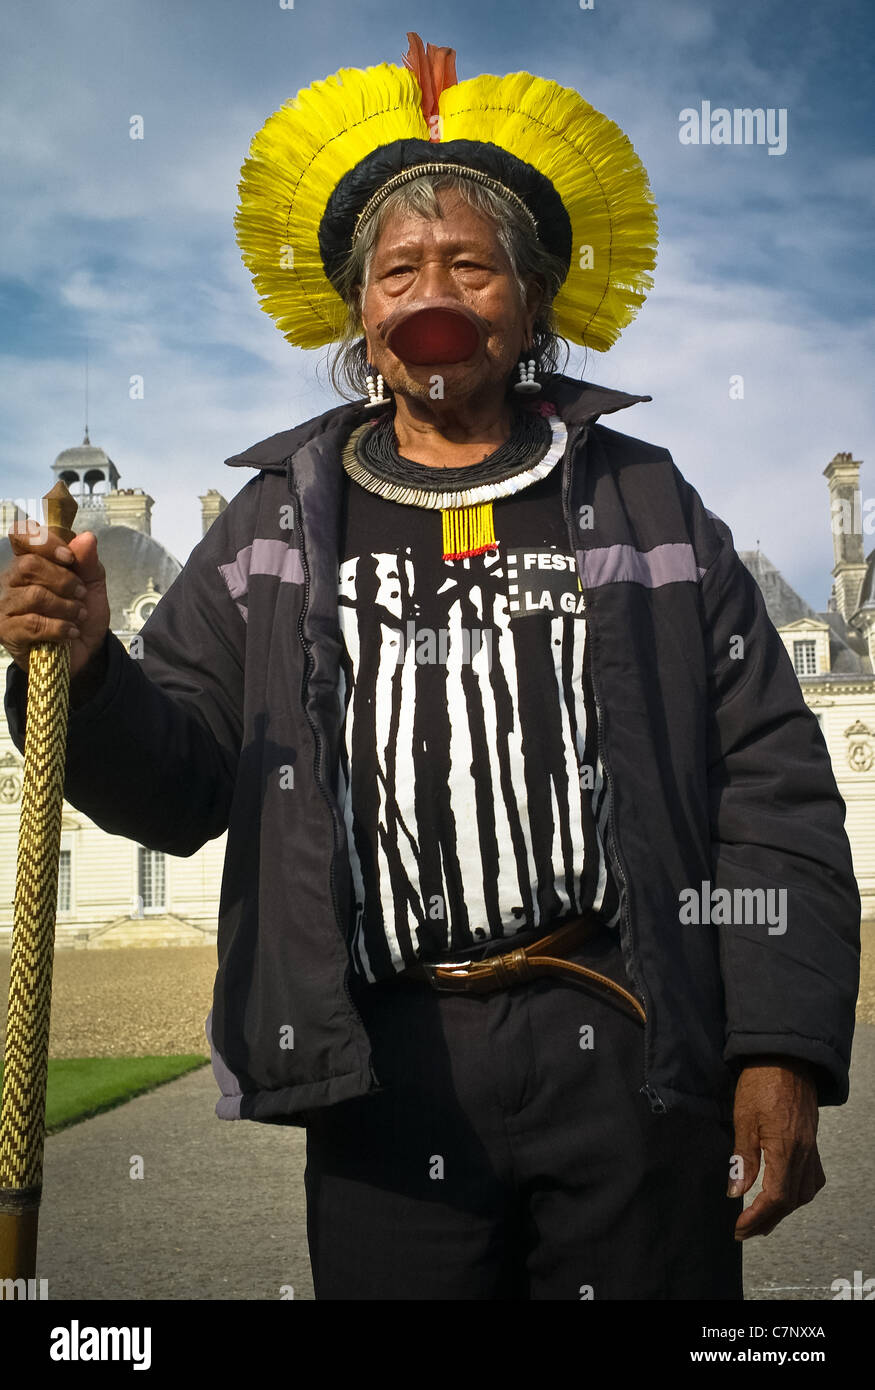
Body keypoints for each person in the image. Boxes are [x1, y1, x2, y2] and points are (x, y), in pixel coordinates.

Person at [0, 34, 860, 1300]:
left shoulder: (642, 500)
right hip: (379, 1064)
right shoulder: (273, 523)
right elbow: (177, 785)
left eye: (468, 263)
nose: (428, 292)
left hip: (621, 1034)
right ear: (360, 312)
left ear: (531, 302)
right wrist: (79, 670)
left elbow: (771, 781)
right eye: (396, 269)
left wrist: (779, 1047)